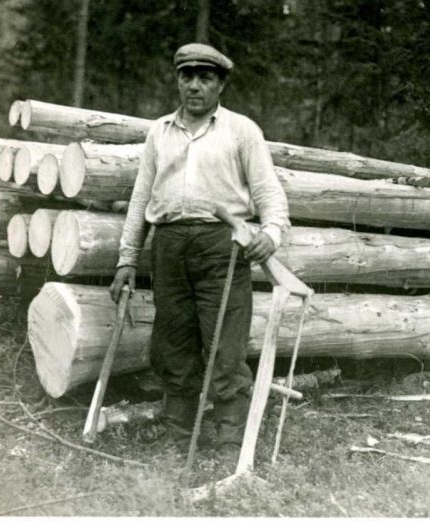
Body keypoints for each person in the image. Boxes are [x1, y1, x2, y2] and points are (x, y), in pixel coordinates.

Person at [110, 43, 290, 454]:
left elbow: (268, 193)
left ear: (221, 84)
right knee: (173, 346)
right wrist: (127, 259)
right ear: (177, 80)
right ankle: (179, 437)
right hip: (169, 247)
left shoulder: (242, 131)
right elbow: (141, 200)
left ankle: (230, 441)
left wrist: (271, 233)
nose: (194, 86)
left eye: (205, 78)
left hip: (221, 249)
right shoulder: (159, 132)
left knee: (226, 348)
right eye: (186, 77)